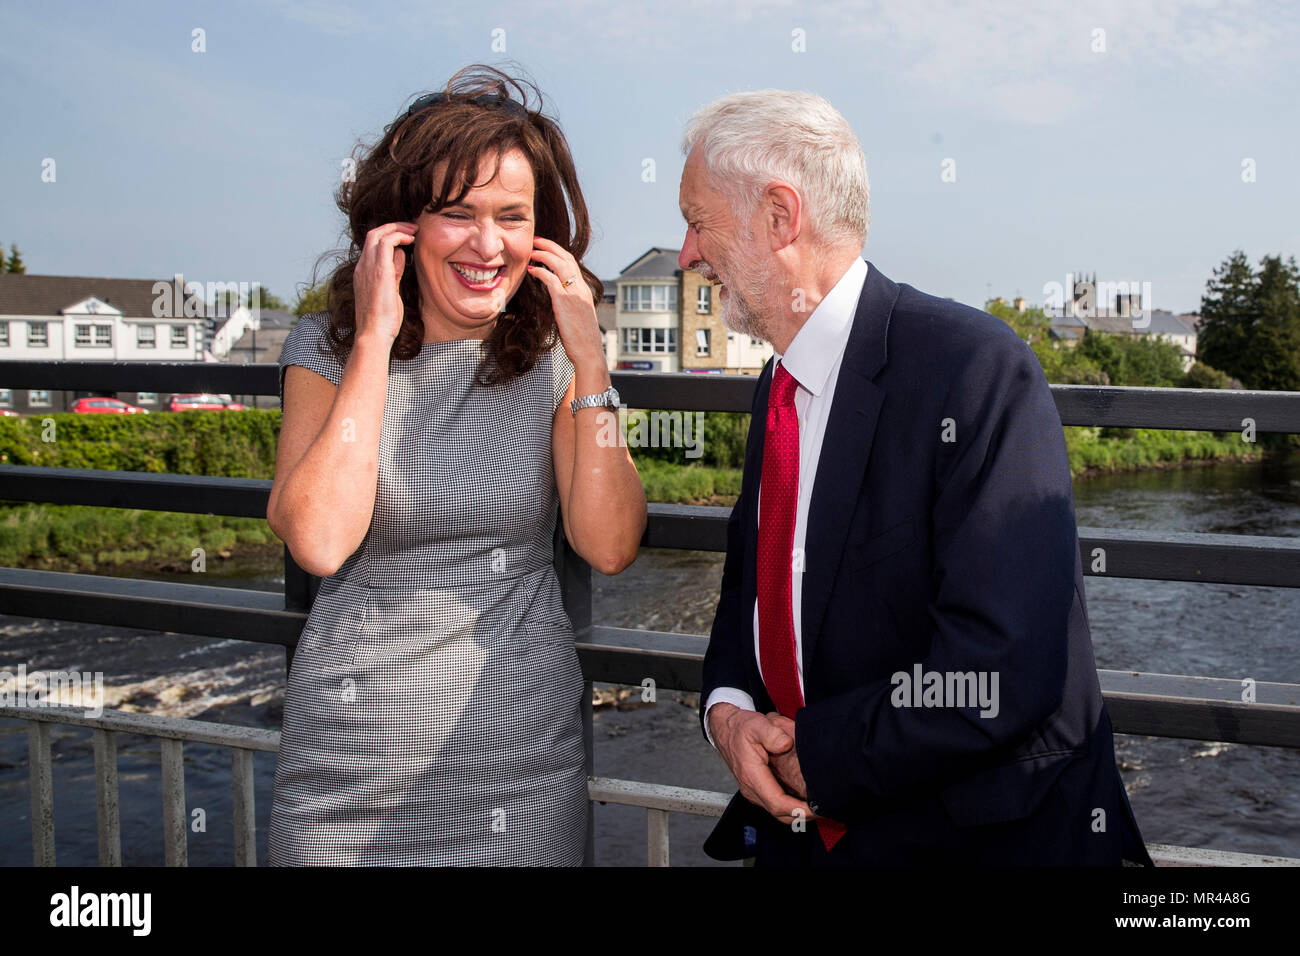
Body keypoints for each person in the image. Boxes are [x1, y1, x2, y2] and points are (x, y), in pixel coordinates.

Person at [683, 90, 1153, 866]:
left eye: (698, 220)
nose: (687, 252)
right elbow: (751, 599)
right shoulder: (777, 386)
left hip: (975, 843)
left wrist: (819, 755)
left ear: (778, 216)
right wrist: (730, 714)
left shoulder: (975, 368)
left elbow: (999, 669)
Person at [265, 65, 646, 866]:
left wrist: (591, 362)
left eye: (512, 216)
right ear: (400, 226)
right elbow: (320, 542)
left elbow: (609, 544)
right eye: (457, 214)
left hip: (519, 768)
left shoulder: (555, 361)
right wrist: (373, 340)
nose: (487, 244)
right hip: (345, 770)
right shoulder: (327, 351)